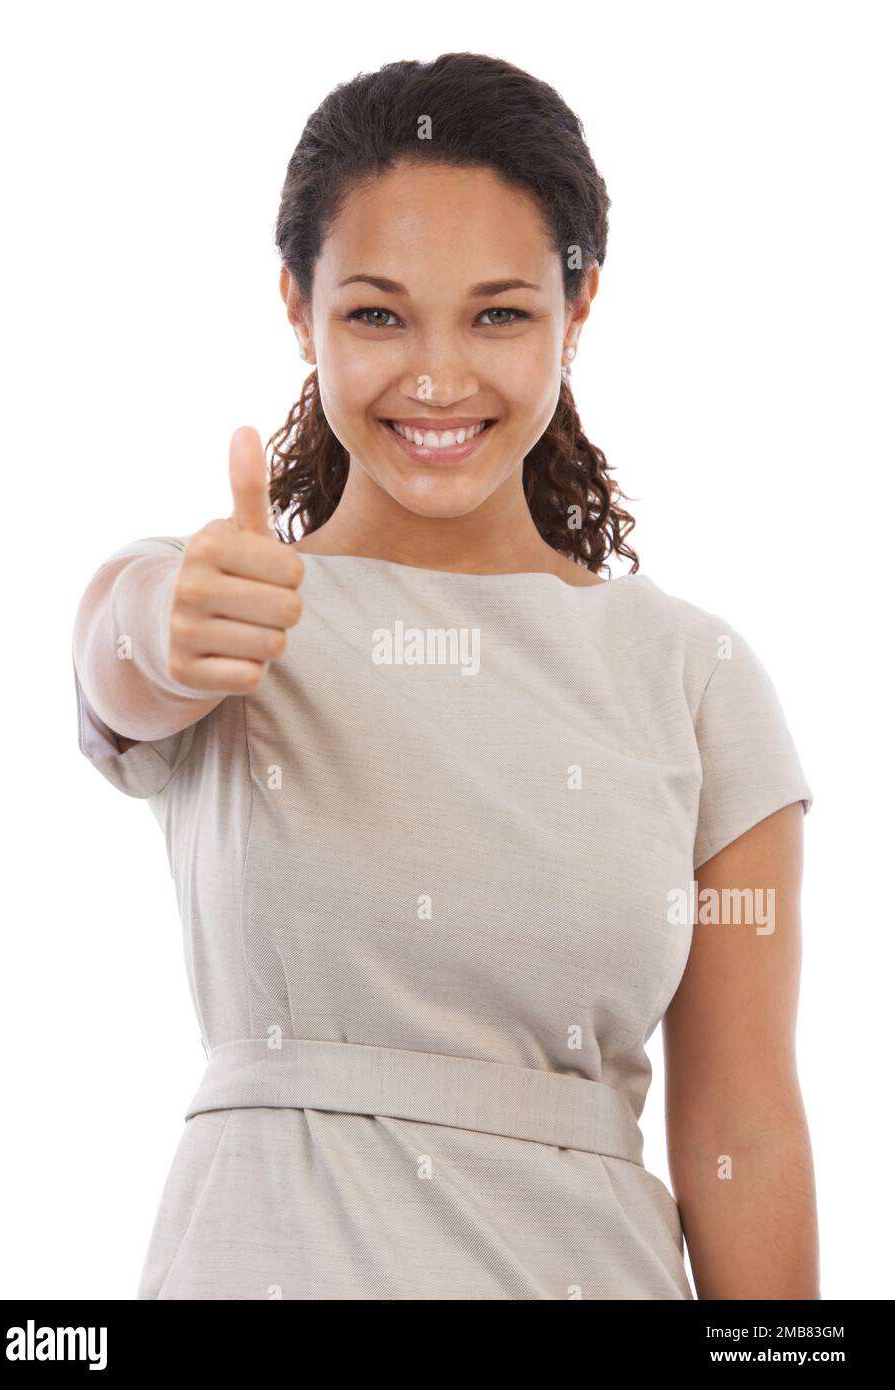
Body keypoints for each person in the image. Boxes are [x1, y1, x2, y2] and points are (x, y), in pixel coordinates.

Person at [71, 52, 817, 1300]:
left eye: (499, 314)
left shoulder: (696, 675)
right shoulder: (228, 604)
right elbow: (121, 655)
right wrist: (161, 622)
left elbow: (742, 1128)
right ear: (297, 307)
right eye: (377, 314)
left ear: (577, 307)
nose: (436, 375)